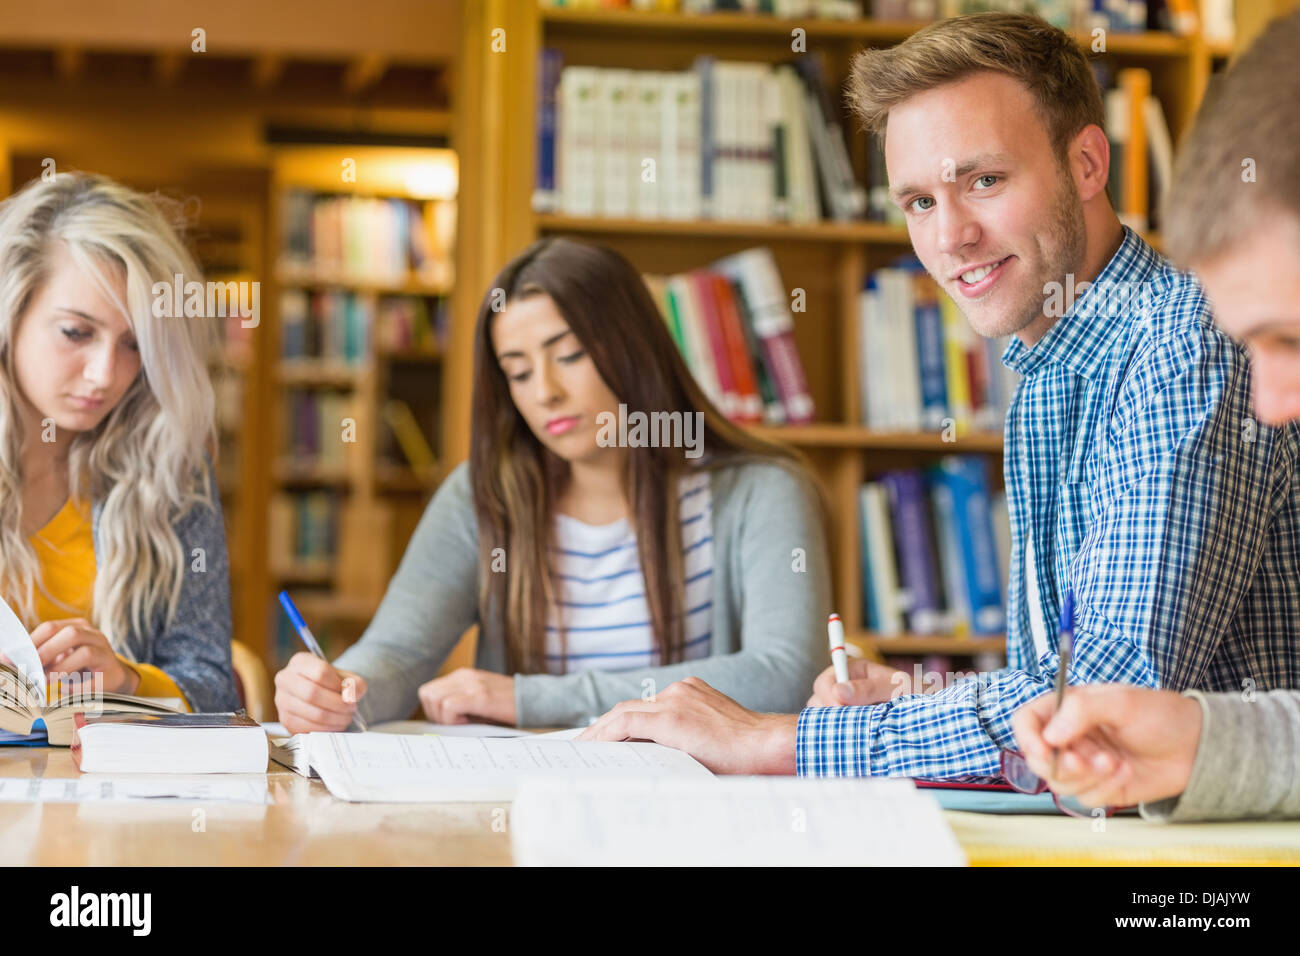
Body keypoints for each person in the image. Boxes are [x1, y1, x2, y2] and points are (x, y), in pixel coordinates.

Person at [579, 12, 1300, 779]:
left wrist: (775, 741)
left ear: (1088, 164)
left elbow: (1107, 698)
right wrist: (916, 697)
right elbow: (1053, 695)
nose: (950, 237)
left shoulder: (1183, 343)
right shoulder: (1050, 374)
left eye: (983, 181)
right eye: (919, 202)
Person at [272, 237, 830, 733]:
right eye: (517, 371)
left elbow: (782, 674)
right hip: (527, 805)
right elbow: (398, 650)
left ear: (634, 345)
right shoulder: (480, 496)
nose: (545, 391)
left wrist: (526, 698)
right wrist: (337, 691)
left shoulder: (764, 491)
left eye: (568, 354)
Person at [1012, 9, 1300, 822]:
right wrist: (1205, 743)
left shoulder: (1179, 344)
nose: (1270, 405)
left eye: (1290, 338)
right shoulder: (1044, 376)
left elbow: (1115, 664)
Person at [0, 171, 238, 713]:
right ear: (11, 312)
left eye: (134, 344)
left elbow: (212, 684)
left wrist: (128, 680)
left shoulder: (172, 470)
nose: (106, 374)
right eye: (76, 333)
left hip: (111, 789)